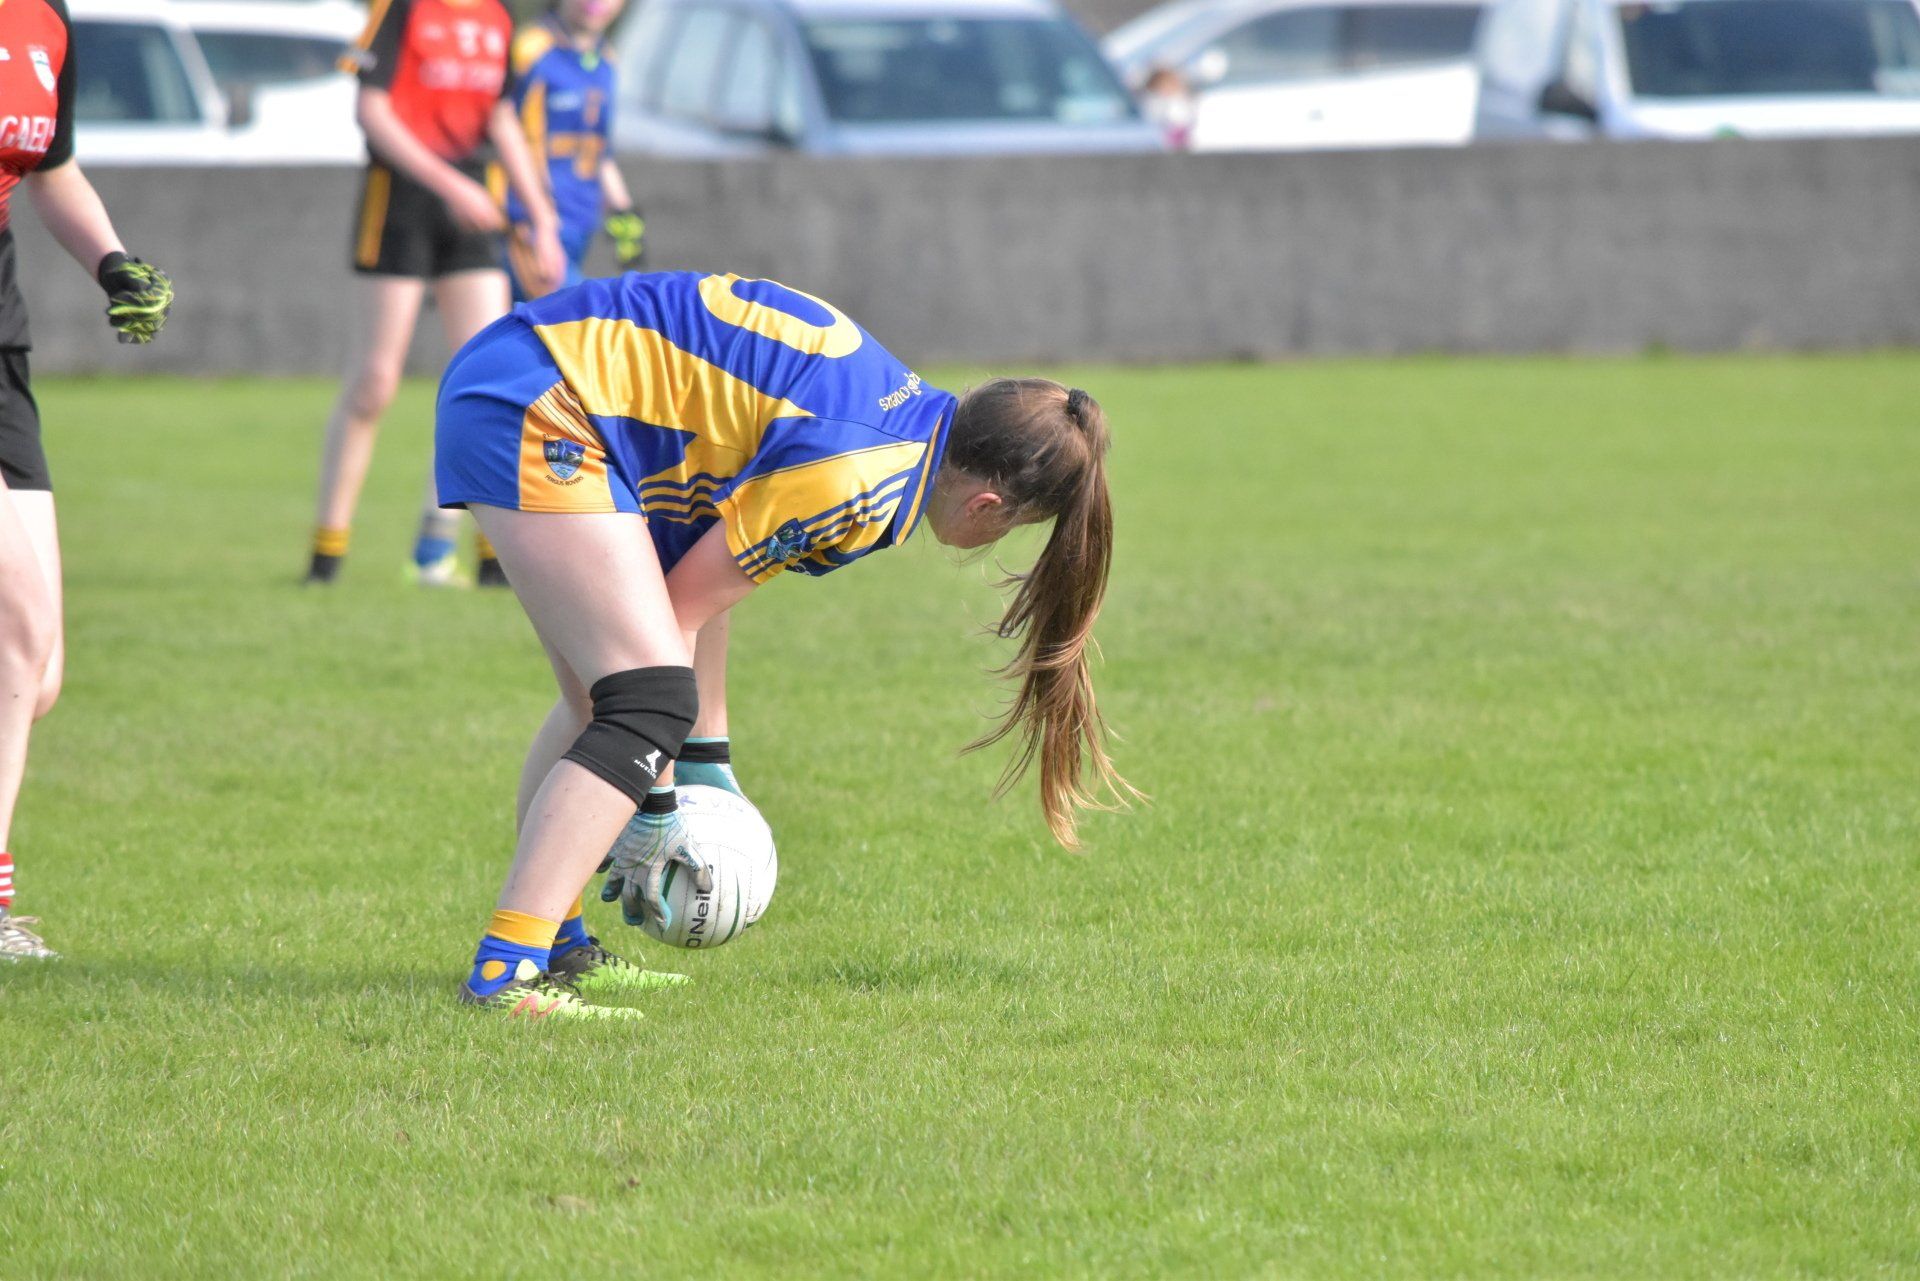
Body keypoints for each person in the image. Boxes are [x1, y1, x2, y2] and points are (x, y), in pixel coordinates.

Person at [433, 271, 1133, 1018]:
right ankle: (507, 973)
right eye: (1011, 530)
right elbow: (681, 611)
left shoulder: (896, 412)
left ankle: (556, 948)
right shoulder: (860, 478)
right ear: (988, 503)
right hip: (543, 402)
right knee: (642, 699)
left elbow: (704, 579)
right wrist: (660, 802)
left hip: (536, 375)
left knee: (610, 698)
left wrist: (709, 764)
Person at [0, 0, 174, 960]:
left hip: (2, 338)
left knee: (39, 668)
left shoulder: (46, 16)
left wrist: (110, 262)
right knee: (13, 631)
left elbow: (49, 163)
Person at [305, 0, 564, 588]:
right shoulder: (403, 9)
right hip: (400, 203)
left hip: (472, 210)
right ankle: (327, 555)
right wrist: (449, 183)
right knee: (375, 382)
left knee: (492, 380)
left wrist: (541, 217)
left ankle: (486, 556)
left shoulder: (497, 17)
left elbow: (500, 120)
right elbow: (372, 112)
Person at [501, 0, 646, 312]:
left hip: (580, 220)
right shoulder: (530, 49)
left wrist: (623, 212)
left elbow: (599, 148)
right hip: (529, 222)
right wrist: (538, 216)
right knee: (575, 318)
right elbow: (502, 129)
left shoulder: (607, 59)